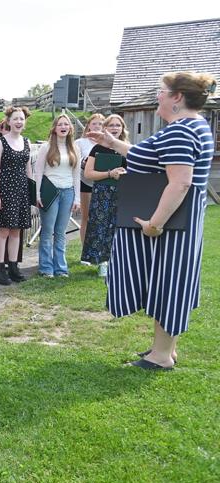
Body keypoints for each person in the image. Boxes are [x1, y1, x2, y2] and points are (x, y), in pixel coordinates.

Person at [88, 72, 215, 370]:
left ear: (177, 97)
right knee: (168, 280)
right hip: (181, 220)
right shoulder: (192, 126)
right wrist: (112, 142)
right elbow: (147, 156)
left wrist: (154, 224)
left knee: (170, 281)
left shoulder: (181, 131)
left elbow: (180, 182)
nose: (157, 95)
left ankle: (161, 356)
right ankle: (165, 349)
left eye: (161, 91)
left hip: (171, 224)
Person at [0, 106, 33, 285]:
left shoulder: (27, 141)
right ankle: (0, 269)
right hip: (5, 190)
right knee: (3, 230)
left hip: (21, 191)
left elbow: (28, 169)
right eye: (15, 118)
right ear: (8, 121)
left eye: (21, 119)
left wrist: (31, 194)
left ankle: (13, 267)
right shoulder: (1, 142)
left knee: (16, 231)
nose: (19, 122)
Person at [81, 114, 128, 277]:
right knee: (100, 227)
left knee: (118, 227)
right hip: (102, 192)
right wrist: (110, 173)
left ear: (122, 128)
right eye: (111, 125)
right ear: (105, 129)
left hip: (122, 192)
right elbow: (88, 173)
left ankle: (117, 261)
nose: (115, 128)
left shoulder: (126, 148)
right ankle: (102, 262)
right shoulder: (97, 149)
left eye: (118, 125)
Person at [34, 114, 80, 278]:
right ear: (54, 128)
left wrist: (77, 198)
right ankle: (46, 268)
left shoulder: (74, 148)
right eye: (60, 124)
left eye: (66, 124)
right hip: (50, 192)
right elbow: (38, 171)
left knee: (60, 233)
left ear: (70, 128)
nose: (63, 127)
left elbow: (76, 175)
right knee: (47, 231)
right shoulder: (46, 147)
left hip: (68, 192)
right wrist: (38, 193)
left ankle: (61, 268)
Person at [74, 113, 105, 258]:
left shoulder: (106, 142)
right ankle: (85, 250)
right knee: (86, 217)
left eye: (100, 124)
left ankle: (100, 250)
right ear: (88, 126)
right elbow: (75, 161)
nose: (97, 126)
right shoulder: (80, 143)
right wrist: (84, 164)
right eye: (94, 123)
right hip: (85, 183)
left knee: (101, 217)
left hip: (104, 183)